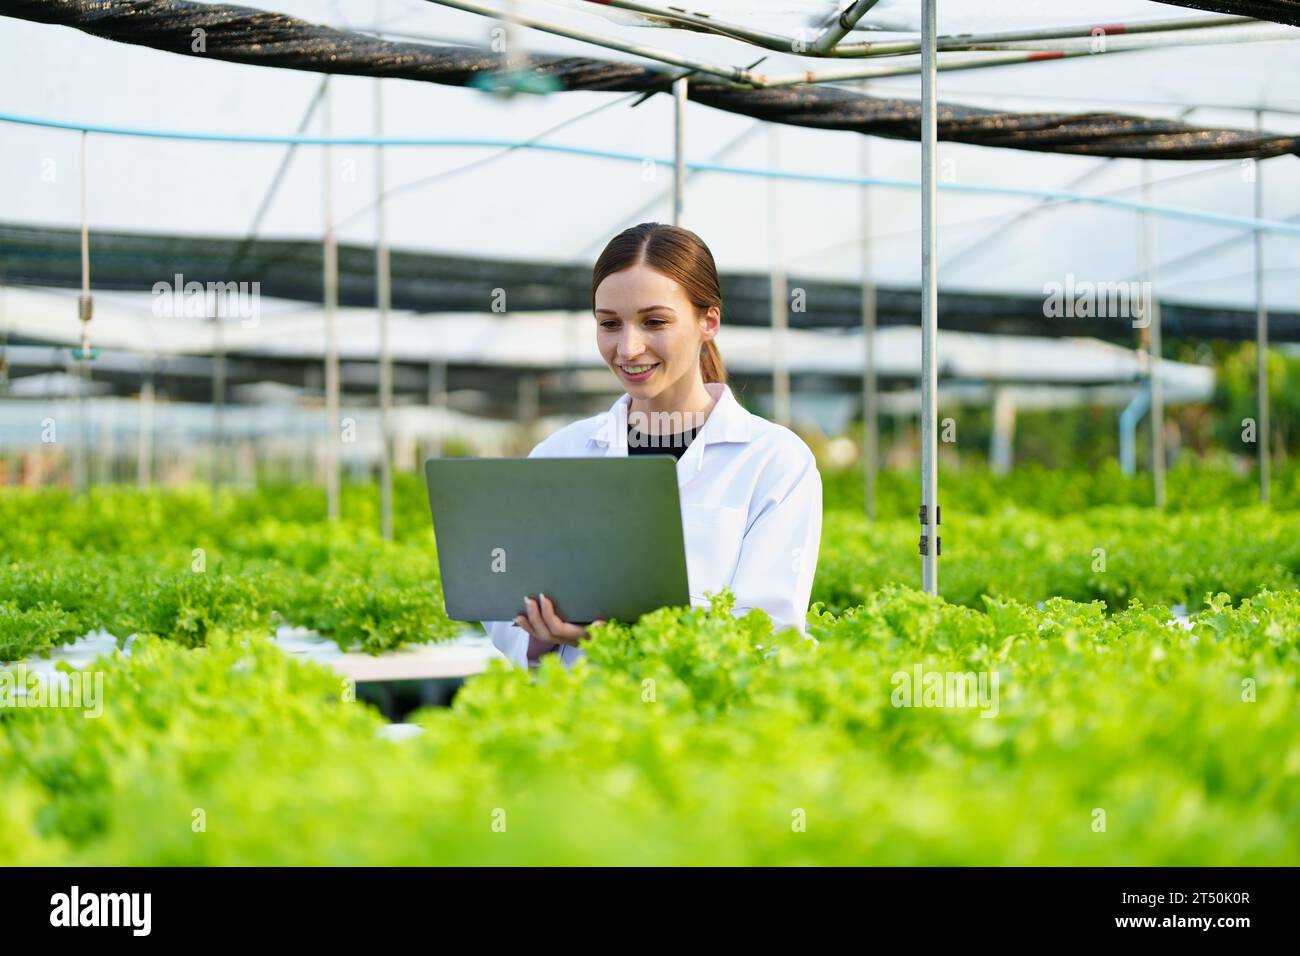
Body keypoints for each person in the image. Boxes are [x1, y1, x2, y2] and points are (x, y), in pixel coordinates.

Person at [485, 222, 822, 669]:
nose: (628, 347)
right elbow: (500, 608)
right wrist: (538, 635)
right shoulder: (559, 452)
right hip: (581, 720)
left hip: (701, 724)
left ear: (709, 321)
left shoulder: (774, 461)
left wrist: (626, 631)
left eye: (655, 322)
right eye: (609, 324)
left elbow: (769, 631)